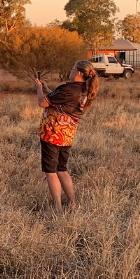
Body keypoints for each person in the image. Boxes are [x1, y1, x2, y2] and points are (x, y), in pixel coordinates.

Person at [34, 60, 100, 214]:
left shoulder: (67, 88)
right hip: (67, 135)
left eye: (72, 68)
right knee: (61, 168)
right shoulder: (84, 90)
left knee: (50, 171)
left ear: (78, 72)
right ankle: (73, 202)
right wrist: (47, 89)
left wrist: (38, 89)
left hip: (53, 133)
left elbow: (43, 103)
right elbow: (60, 101)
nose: (70, 71)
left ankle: (57, 207)